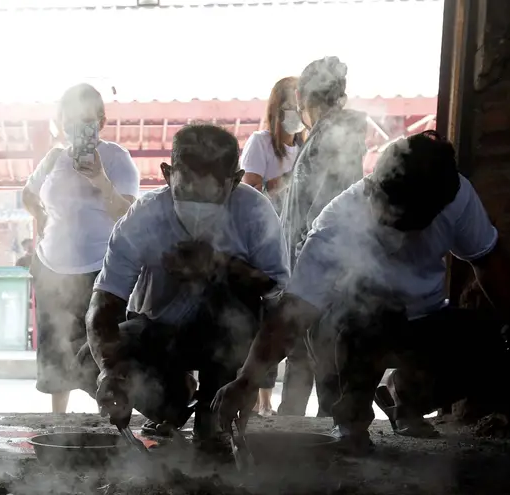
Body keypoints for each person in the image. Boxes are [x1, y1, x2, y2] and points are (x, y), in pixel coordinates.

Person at [213, 131, 510, 452]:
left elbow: (487, 257)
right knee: (369, 315)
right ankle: (350, 419)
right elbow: (295, 311)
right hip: (349, 329)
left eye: (414, 222)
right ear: (373, 188)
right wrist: (247, 380)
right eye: (393, 217)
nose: (400, 230)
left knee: (495, 342)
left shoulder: (454, 196)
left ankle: (405, 395)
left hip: (424, 320)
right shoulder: (336, 223)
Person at [79, 124, 291, 454]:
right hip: (158, 331)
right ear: (167, 174)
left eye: (211, 191)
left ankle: (214, 410)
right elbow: (104, 303)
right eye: (187, 186)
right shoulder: (144, 217)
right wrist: (111, 372)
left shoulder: (254, 212)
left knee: (232, 301)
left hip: (228, 341)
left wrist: (221, 265)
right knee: (86, 358)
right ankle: (173, 404)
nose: (197, 200)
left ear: (234, 181)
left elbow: (278, 296)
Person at [23, 83, 141, 414]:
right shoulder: (53, 158)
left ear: (101, 121)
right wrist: (39, 215)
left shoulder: (117, 158)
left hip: (100, 270)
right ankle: (57, 422)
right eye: (71, 119)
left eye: (86, 120)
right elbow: (28, 193)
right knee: (55, 347)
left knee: (102, 347)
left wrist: (100, 179)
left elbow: (128, 214)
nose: (78, 126)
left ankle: (111, 416)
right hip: (51, 269)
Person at [276, 56, 370, 418]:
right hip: (309, 271)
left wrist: (303, 269)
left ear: (301, 96)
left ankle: (333, 445)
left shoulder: (334, 136)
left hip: (321, 273)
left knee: (325, 361)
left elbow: (325, 213)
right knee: (302, 359)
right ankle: (292, 435)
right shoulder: (323, 136)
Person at [240, 76, 308, 417]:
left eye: (299, 106)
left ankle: (280, 409)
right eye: (288, 107)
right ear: (276, 110)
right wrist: (287, 182)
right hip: (267, 247)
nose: (295, 113)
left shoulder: (308, 146)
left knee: (293, 328)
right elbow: (248, 191)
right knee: (263, 321)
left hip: (299, 246)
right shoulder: (260, 143)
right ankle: (256, 402)